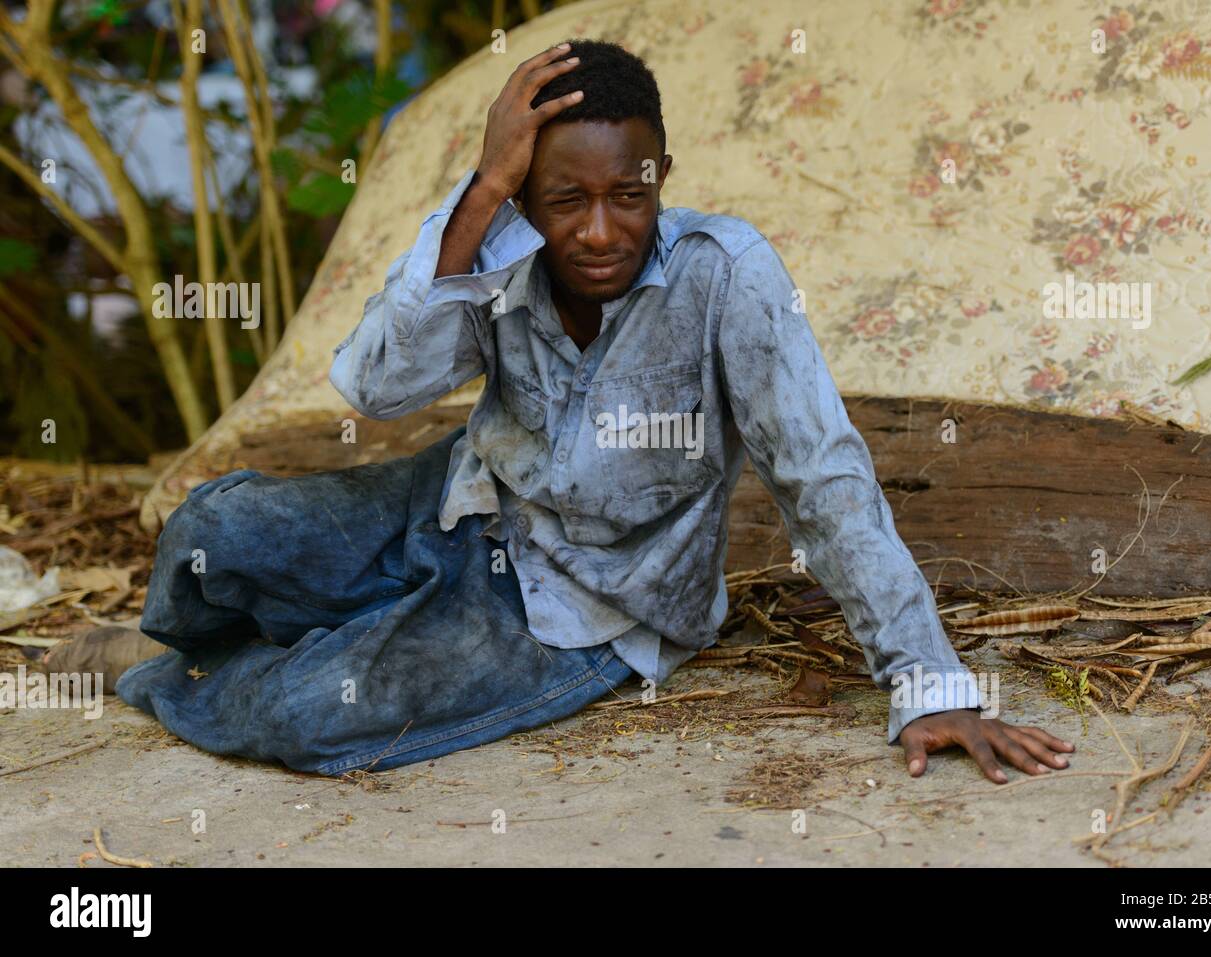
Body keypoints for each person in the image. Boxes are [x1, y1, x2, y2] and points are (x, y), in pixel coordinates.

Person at [92, 39, 1072, 779]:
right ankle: (210, 636)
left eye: (629, 195)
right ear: (525, 197)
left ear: (662, 181)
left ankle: (170, 677)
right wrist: (480, 197)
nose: (600, 232)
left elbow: (823, 478)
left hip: (588, 609)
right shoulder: (498, 250)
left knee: (312, 714)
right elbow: (373, 388)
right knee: (214, 529)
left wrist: (923, 680)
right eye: (564, 200)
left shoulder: (727, 278)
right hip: (460, 502)